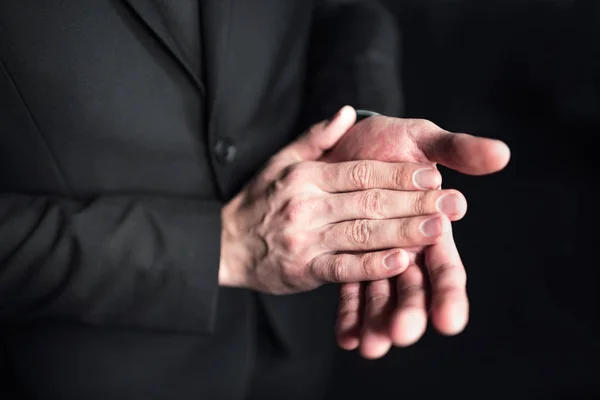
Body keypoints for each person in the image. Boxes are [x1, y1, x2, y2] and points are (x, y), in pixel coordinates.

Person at [0, 1, 510, 399]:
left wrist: (358, 123)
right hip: (93, 367)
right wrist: (221, 247)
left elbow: (341, 11)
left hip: (297, 332)